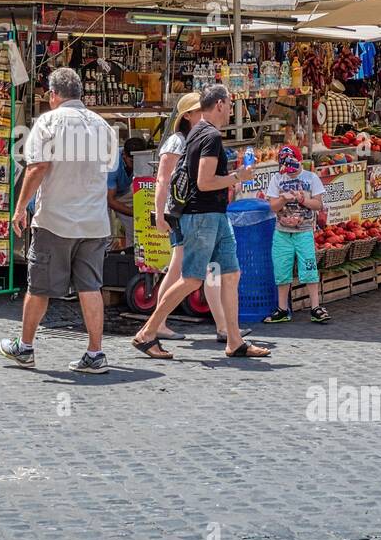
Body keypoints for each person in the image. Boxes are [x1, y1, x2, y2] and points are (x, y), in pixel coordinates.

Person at [130, 85, 268, 359]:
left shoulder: (197, 133)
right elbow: (204, 182)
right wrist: (238, 177)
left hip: (213, 215)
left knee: (231, 274)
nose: (231, 109)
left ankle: (234, 340)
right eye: (230, 103)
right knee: (192, 279)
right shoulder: (211, 136)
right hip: (203, 216)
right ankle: (147, 332)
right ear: (219, 104)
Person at [0, 67, 116, 374]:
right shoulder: (103, 125)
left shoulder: (48, 122)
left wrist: (20, 207)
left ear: (53, 95)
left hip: (56, 219)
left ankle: (25, 348)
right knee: (90, 286)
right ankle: (95, 352)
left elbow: (37, 168)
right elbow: (107, 170)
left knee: (39, 287)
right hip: (94, 221)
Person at [152, 93, 231, 342]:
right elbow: (163, 180)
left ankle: (224, 326)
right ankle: (158, 322)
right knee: (180, 269)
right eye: (198, 111)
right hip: (183, 213)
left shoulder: (196, 138)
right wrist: (161, 214)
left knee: (211, 269)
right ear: (187, 115)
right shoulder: (177, 142)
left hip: (198, 213)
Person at [262, 145, 329, 324]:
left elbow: (318, 205)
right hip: (282, 233)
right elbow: (272, 206)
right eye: (286, 170)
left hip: (304, 232)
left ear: (299, 162)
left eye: (293, 170)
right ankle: (283, 308)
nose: (289, 174)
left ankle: (315, 306)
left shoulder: (311, 178)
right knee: (282, 269)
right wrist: (283, 198)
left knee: (309, 267)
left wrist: (302, 199)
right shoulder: (277, 178)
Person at [106, 136, 148, 248]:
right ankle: (109, 254)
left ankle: (132, 254)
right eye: (132, 161)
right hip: (103, 195)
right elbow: (110, 200)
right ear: (124, 154)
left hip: (123, 190)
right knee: (107, 235)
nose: (136, 165)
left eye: (138, 161)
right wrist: (134, 212)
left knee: (136, 229)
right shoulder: (113, 165)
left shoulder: (141, 159)